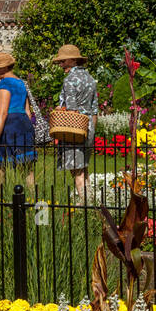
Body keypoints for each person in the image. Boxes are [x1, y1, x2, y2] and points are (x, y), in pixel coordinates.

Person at [0, 52, 36, 196]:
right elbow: (28, 112)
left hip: (10, 125)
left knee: (0, 168)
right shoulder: (21, 83)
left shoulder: (5, 84)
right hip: (24, 126)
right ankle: (33, 200)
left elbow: (3, 113)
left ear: (4, 67)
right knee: (27, 169)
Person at [53, 43, 97, 202]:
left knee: (77, 171)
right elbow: (94, 110)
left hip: (74, 128)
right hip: (88, 126)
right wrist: (91, 131)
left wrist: (60, 108)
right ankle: (89, 200)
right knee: (84, 168)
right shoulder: (91, 79)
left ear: (72, 60)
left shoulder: (69, 80)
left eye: (63, 61)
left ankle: (87, 208)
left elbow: (71, 110)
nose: (60, 64)